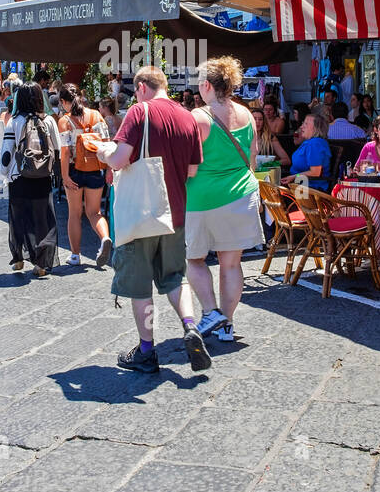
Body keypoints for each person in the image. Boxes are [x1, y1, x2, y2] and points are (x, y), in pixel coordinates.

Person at [97, 65, 211, 375]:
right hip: (174, 213)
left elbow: (120, 160)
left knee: (139, 285)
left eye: (135, 91)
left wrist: (104, 153)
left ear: (142, 88)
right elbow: (191, 172)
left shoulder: (139, 112)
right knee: (175, 277)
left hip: (142, 215)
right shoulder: (188, 116)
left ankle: (146, 350)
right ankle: (190, 326)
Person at [185, 57, 263, 344]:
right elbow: (252, 159)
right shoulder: (247, 114)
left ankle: (210, 312)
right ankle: (227, 324)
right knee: (231, 264)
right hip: (241, 195)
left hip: (202, 198)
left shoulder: (198, 117)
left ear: (206, 85)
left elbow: (190, 167)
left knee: (194, 260)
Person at [0, 82, 62, 277]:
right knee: (43, 218)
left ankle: (18, 258)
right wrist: (58, 175)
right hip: (43, 175)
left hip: (19, 176)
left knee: (18, 218)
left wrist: (1, 175)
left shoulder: (14, 121)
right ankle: (42, 263)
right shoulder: (50, 121)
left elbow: (7, 152)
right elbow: (58, 150)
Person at [57, 84, 114, 270]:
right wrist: (108, 169)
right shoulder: (96, 115)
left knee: (74, 214)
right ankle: (105, 238)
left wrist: (64, 176)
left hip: (74, 170)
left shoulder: (65, 121)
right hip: (95, 169)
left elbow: (65, 153)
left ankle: (75, 255)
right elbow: (106, 144)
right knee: (94, 212)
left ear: (64, 102)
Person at [284, 110, 332, 193]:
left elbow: (315, 172)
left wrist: (294, 177)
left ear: (316, 128)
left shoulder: (315, 143)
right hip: (300, 185)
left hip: (309, 190)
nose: (301, 127)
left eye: (305, 124)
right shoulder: (309, 142)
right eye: (303, 123)